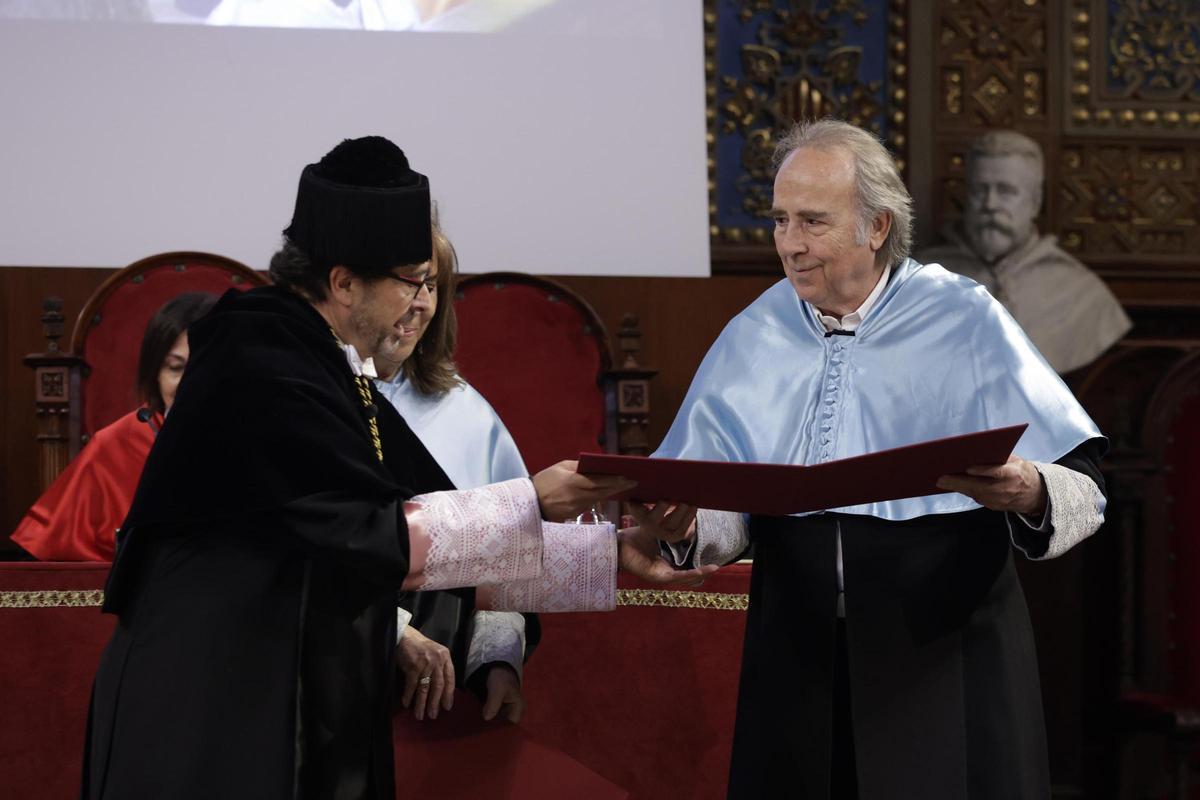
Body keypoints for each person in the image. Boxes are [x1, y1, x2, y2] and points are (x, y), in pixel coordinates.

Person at [82, 135, 710, 800]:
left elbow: (438, 538)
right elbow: (372, 535)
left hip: (292, 701)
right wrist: (530, 499)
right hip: (214, 713)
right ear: (343, 282)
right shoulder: (257, 363)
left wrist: (606, 552)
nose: (420, 305)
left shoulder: (322, 363)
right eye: (411, 281)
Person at [652, 119, 1107, 799]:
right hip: (798, 658)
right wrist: (684, 524)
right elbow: (733, 512)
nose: (789, 245)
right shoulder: (753, 334)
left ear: (877, 227)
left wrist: (1029, 489)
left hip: (943, 652)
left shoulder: (965, 317)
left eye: (812, 222)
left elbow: (1088, 485)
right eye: (779, 221)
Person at [372, 220, 533, 724]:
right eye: (405, 282)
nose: (418, 303)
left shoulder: (468, 413)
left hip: (449, 690)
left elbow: (512, 557)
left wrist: (497, 660)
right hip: (341, 673)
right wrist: (394, 633)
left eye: (432, 285)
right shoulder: (313, 398)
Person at [11, 292, 216, 561]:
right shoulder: (115, 445)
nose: (189, 383)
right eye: (175, 368)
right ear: (154, 373)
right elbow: (40, 563)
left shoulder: (268, 439)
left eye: (207, 367)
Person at [916, 130, 1130, 374]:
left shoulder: (1081, 294)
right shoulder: (922, 280)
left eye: (1006, 191)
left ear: (1035, 202)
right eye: (980, 190)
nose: (990, 204)